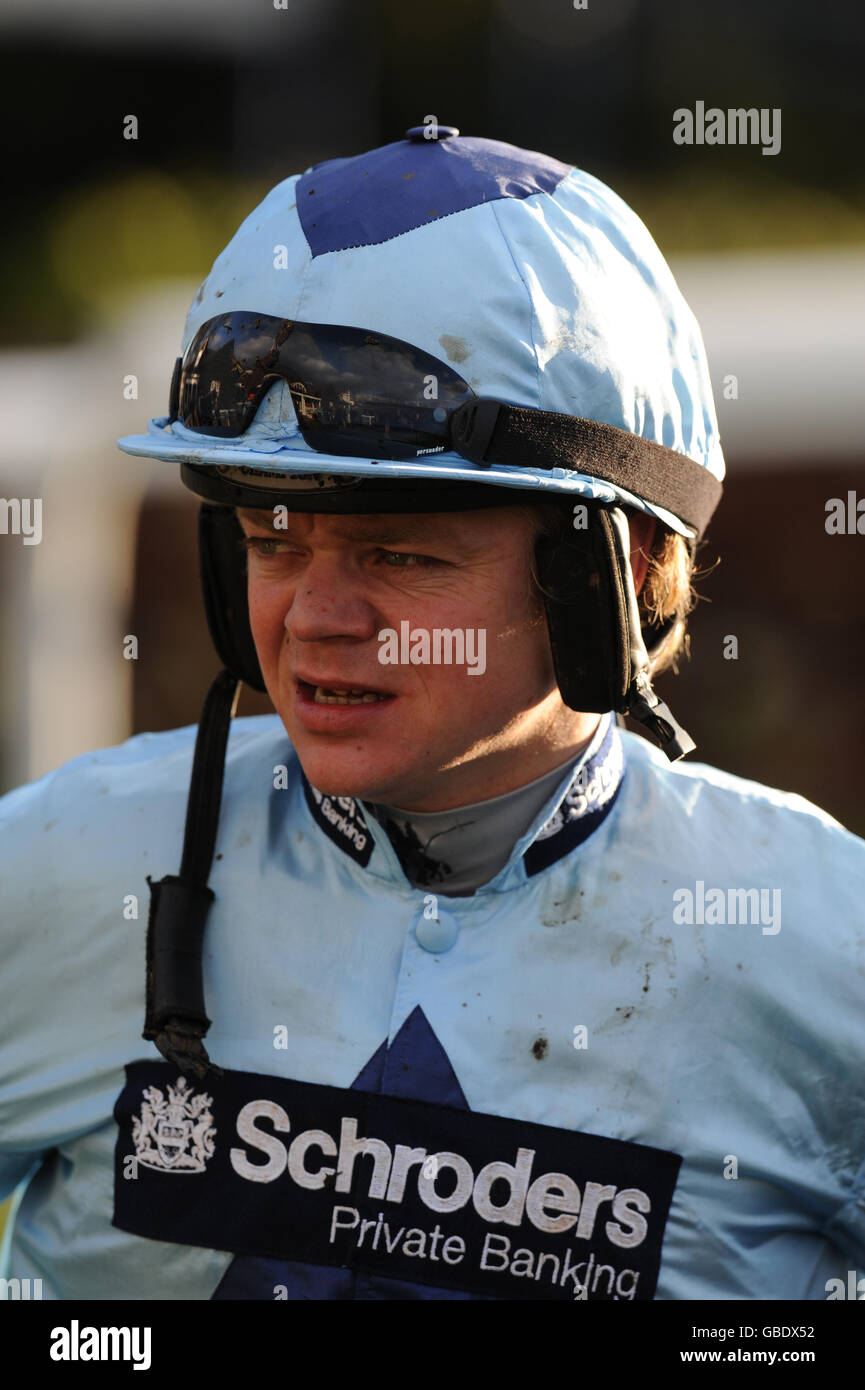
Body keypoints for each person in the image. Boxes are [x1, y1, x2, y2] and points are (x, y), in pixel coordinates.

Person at [1, 125, 862, 1303]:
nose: (314, 618)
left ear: (630, 573)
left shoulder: (822, 940)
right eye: (267, 540)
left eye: (401, 553)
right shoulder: (56, 861)